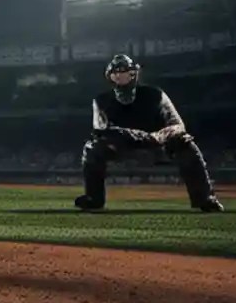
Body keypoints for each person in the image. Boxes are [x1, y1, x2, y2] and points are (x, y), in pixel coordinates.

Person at [76, 54, 224, 212]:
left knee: (186, 144)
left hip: (158, 143)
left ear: (134, 73)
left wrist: (159, 137)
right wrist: (140, 136)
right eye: (116, 72)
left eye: (124, 71)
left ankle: (205, 198)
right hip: (120, 145)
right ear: (110, 76)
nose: (120, 75)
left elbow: (178, 125)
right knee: (92, 148)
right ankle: (94, 198)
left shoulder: (155, 95)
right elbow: (100, 130)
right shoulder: (101, 100)